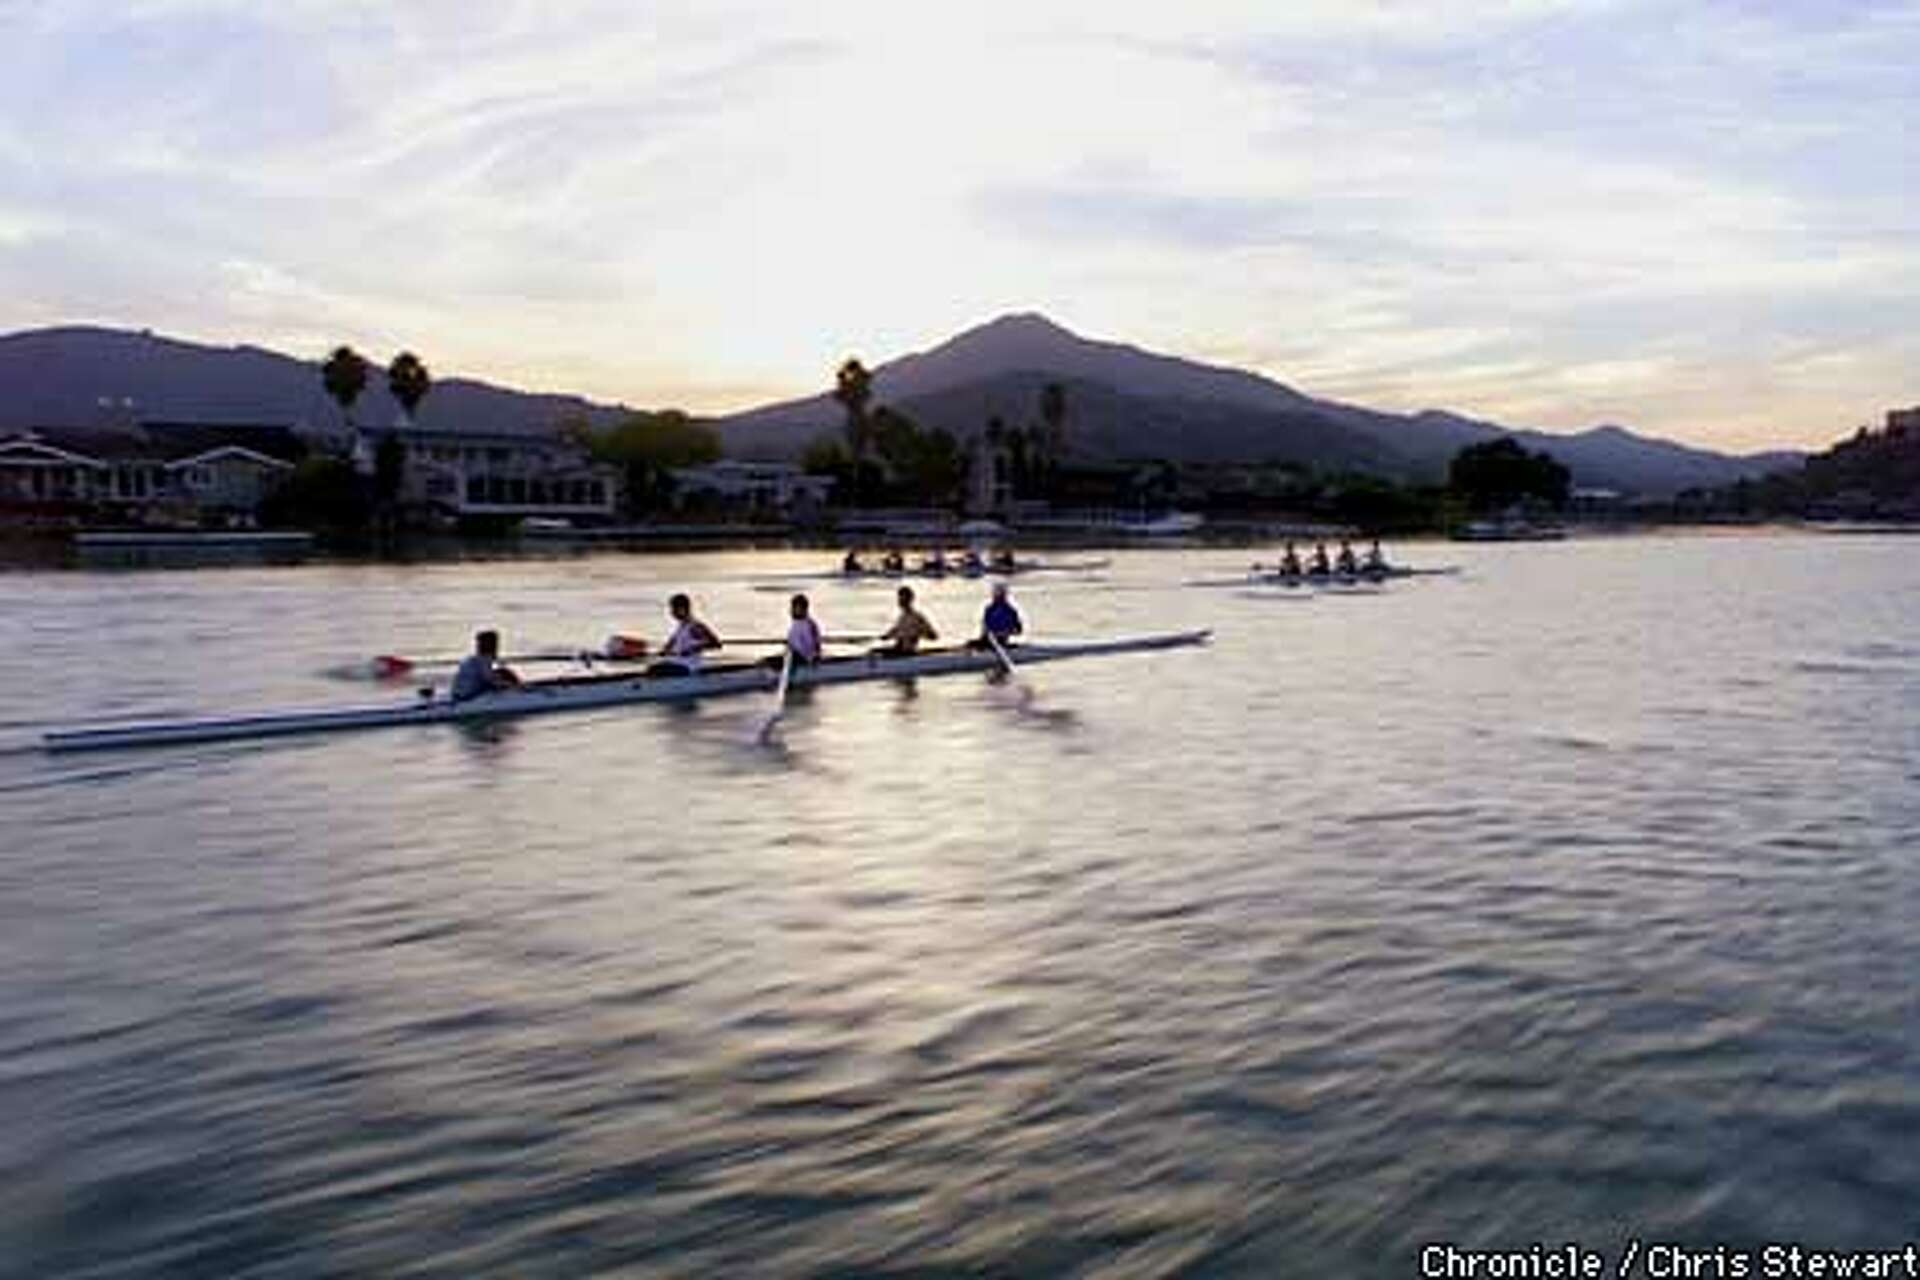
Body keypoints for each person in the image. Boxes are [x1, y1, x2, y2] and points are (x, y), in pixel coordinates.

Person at [650, 593, 722, 675]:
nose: (671, 613)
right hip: (676, 663)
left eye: (674, 609)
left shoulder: (695, 626)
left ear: (682, 609)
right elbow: (668, 647)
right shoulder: (679, 629)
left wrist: (693, 648)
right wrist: (663, 652)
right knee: (653, 668)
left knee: (656, 670)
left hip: (688, 666)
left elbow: (716, 644)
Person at [450, 630, 521, 702]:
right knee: (503, 674)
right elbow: (491, 681)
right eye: (495, 645)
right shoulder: (483, 661)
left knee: (502, 672)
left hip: (459, 695)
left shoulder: (471, 660)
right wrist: (511, 686)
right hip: (468, 698)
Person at [878, 584, 938, 655]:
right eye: (900, 598)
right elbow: (893, 632)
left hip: (908, 652)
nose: (900, 601)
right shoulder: (902, 618)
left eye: (903, 598)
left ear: (910, 600)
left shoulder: (917, 617)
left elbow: (933, 636)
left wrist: (919, 632)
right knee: (875, 652)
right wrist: (886, 636)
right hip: (898, 650)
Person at [978, 582, 1023, 648]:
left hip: (1001, 641)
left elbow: (1018, 630)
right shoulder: (989, 609)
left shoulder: (1011, 611)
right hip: (990, 640)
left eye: (999, 593)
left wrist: (1006, 632)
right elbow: (985, 628)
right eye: (995, 593)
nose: (995, 595)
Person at [784, 593, 823, 665]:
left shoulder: (810, 624)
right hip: (793, 657)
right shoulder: (795, 623)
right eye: (794, 607)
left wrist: (812, 657)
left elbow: (814, 644)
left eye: (799, 608)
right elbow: (792, 643)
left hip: (805, 659)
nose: (796, 610)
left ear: (805, 609)